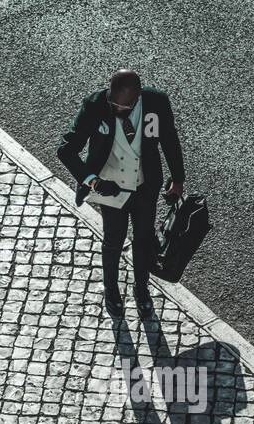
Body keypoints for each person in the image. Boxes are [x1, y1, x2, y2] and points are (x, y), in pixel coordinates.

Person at [57, 69, 185, 317]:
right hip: (109, 187)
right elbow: (66, 150)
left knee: (143, 238)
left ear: (137, 97)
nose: (116, 110)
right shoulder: (94, 106)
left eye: (123, 106)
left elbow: (169, 139)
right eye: (113, 103)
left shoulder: (156, 103)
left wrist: (178, 178)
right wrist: (93, 181)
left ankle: (142, 289)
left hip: (145, 185)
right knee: (113, 240)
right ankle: (111, 289)